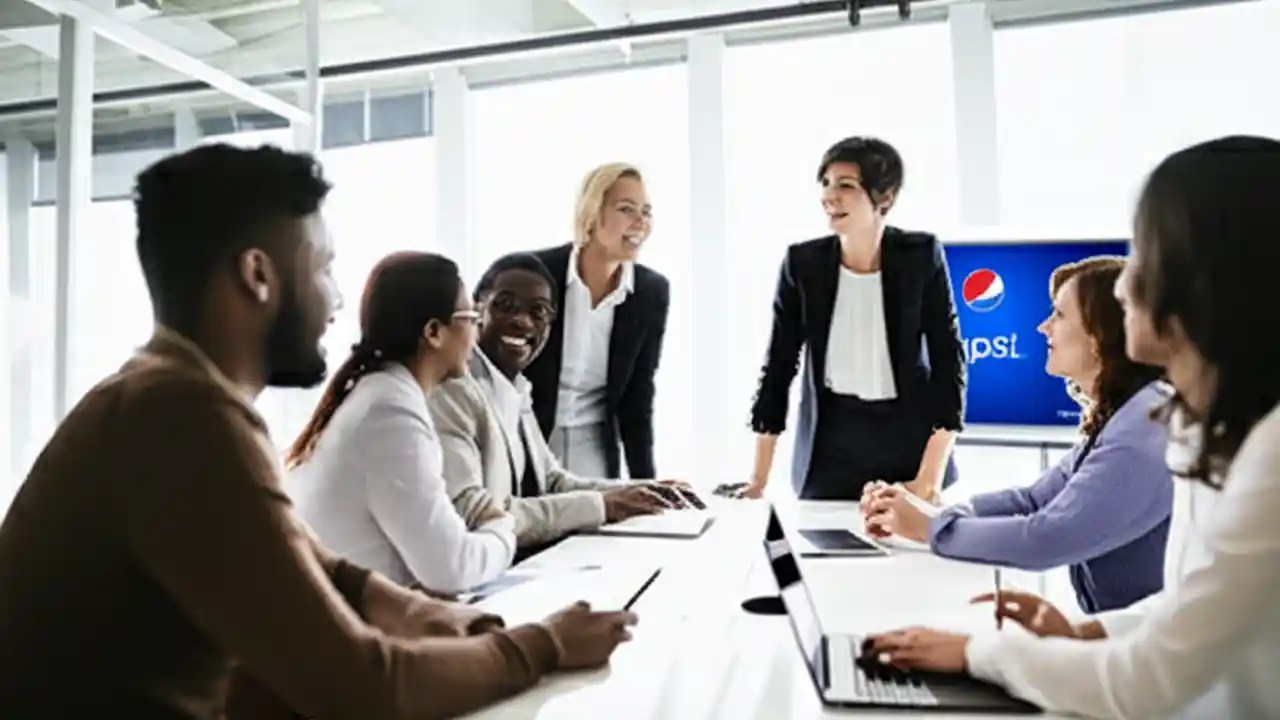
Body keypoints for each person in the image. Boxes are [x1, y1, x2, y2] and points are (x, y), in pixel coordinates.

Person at [0, 144, 635, 718]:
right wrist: (544, 645)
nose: (336, 301)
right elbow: (364, 688)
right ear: (257, 275)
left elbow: (305, 555)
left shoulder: (163, 391)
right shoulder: (181, 416)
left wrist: (419, 611)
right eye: (323, 268)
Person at [864, 136, 1280, 719]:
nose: (1125, 285)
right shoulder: (1194, 427)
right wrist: (1087, 636)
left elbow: (1151, 677)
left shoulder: (1264, 455)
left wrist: (981, 652)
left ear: (1211, 280)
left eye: (1148, 255)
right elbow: (1189, 608)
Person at [862, 257, 1171, 613]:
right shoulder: (1124, 415)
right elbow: (1033, 501)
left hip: (1156, 656)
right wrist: (930, 513)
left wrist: (933, 528)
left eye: (1059, 315)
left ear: (1101, 334)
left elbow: (1047, 538)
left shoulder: (1142, 430)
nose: (1044, 327)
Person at [746, 136, 966, 501]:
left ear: (886, 197)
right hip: (830, 446)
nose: (830, 196)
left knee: (906, 555)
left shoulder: (920, 256)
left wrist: (930, 475)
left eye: (845, 185)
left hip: (908, 443)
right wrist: (758, 479)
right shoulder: (803, 264)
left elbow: (948, 360)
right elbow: (780, 365)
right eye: (826, 184)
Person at [429, 253, 697, 551]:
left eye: (539, 312)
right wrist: (601, 506)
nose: (522, 321)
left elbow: (552, 481)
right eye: (506, 306)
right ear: (476, 308)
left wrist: (639, 490)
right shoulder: (453, 391)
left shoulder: (515, 387)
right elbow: (472, 515)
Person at [286, 252, 516, 596]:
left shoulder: (379, 394)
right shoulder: (390, 414)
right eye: (471, 317)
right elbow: (451, 568)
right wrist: (502, 531)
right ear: (434, 332)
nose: (477, 331)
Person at [525, 163, 670, 479]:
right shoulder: (534, 273)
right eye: (626, 209)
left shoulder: (651, 291)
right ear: (592, 213)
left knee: (598, 525)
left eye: (646, 212)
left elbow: (638, 395)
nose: (640, 222)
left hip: (592, 443)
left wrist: (646, 483)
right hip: (526, 432)